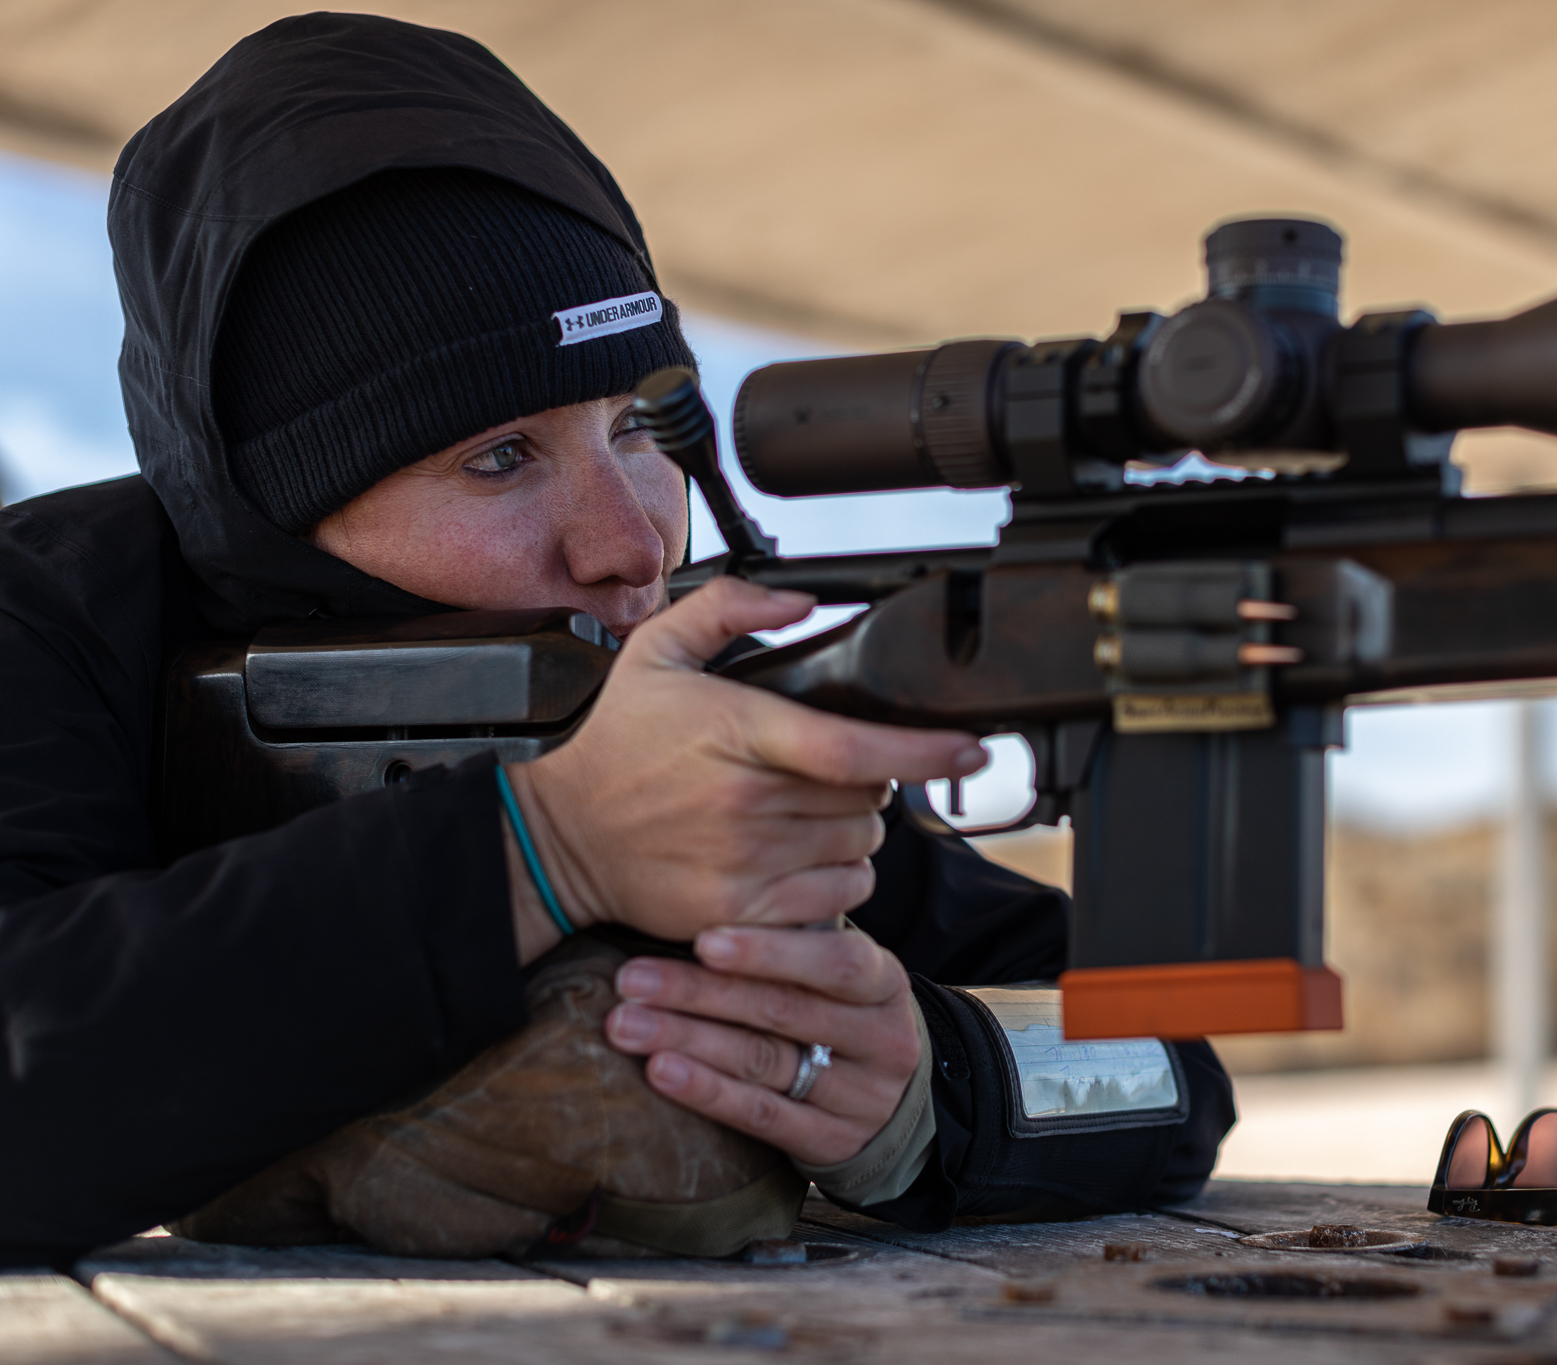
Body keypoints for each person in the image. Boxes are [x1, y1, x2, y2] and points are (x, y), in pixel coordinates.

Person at [0, 13, 1232, 1268]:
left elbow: (1163, 1051)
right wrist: (541, 850)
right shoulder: (46, 622)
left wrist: (930, 1085)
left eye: (641, 429)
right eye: (498, 458)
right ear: (281, 509)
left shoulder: (669, 679)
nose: (632, 545)